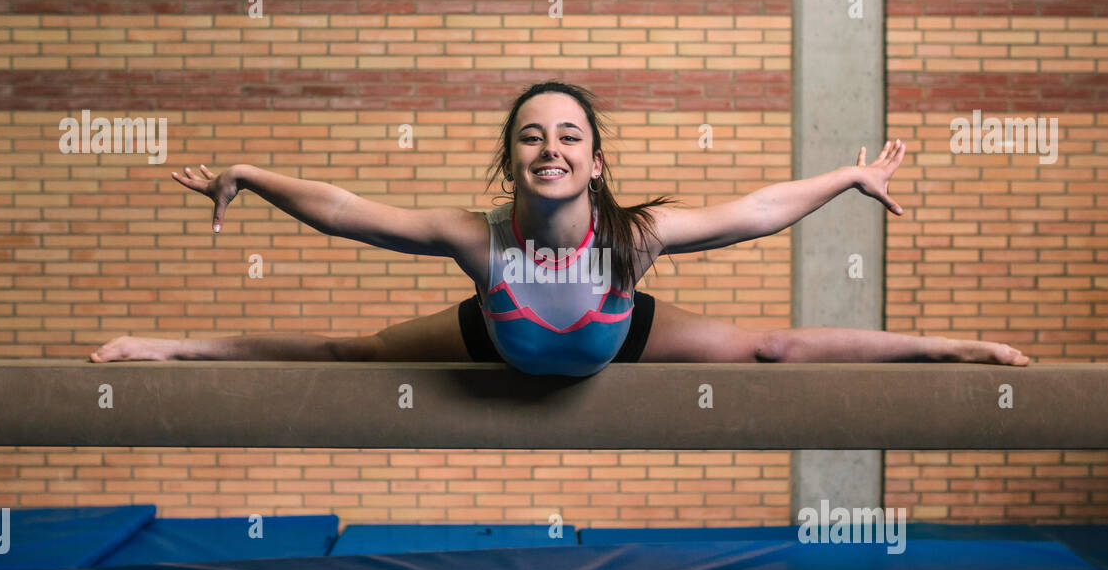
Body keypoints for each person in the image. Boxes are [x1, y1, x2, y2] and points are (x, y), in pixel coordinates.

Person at [90, 81, 1029, 371]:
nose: (551, 149)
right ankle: (171, 349)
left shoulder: (635, 236)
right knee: (352, 356)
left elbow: (754, 213)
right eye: (532, 137)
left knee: (773, 349)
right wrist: (248, 174)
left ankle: (951, 351)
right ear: (514, 161)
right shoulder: (479, 239)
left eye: (569, 136)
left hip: (613, 331)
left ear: (596, 160)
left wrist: (849, 175)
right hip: (499, 333)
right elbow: (346, 214)